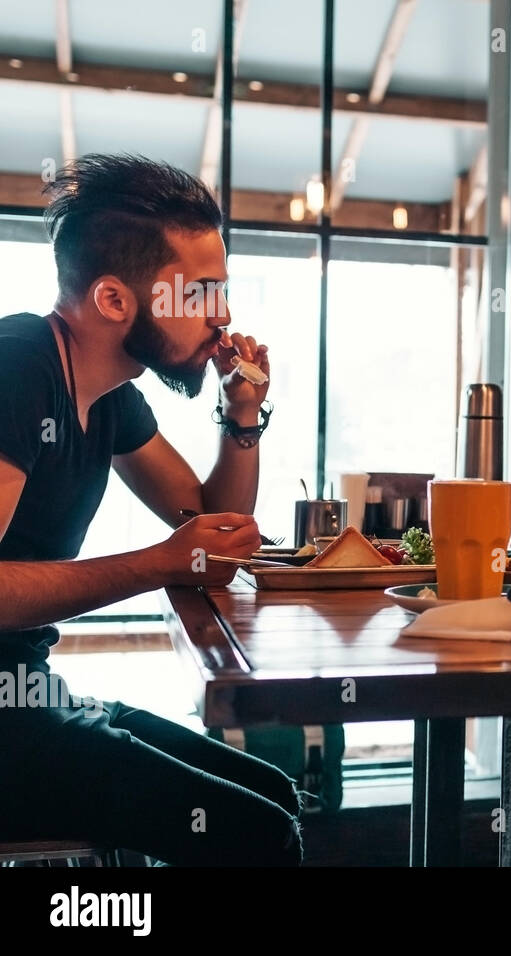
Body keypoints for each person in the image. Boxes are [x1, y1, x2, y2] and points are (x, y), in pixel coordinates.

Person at [0, 154, 303, 865]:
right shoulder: (19, 368)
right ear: (113, 300)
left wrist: (243, 414)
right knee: (259, 836)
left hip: (31, 694)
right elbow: (179, 552)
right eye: (200, 293)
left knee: (274, 796)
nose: (223, 314)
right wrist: (153, 566)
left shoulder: (109, 391)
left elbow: (207, 525)